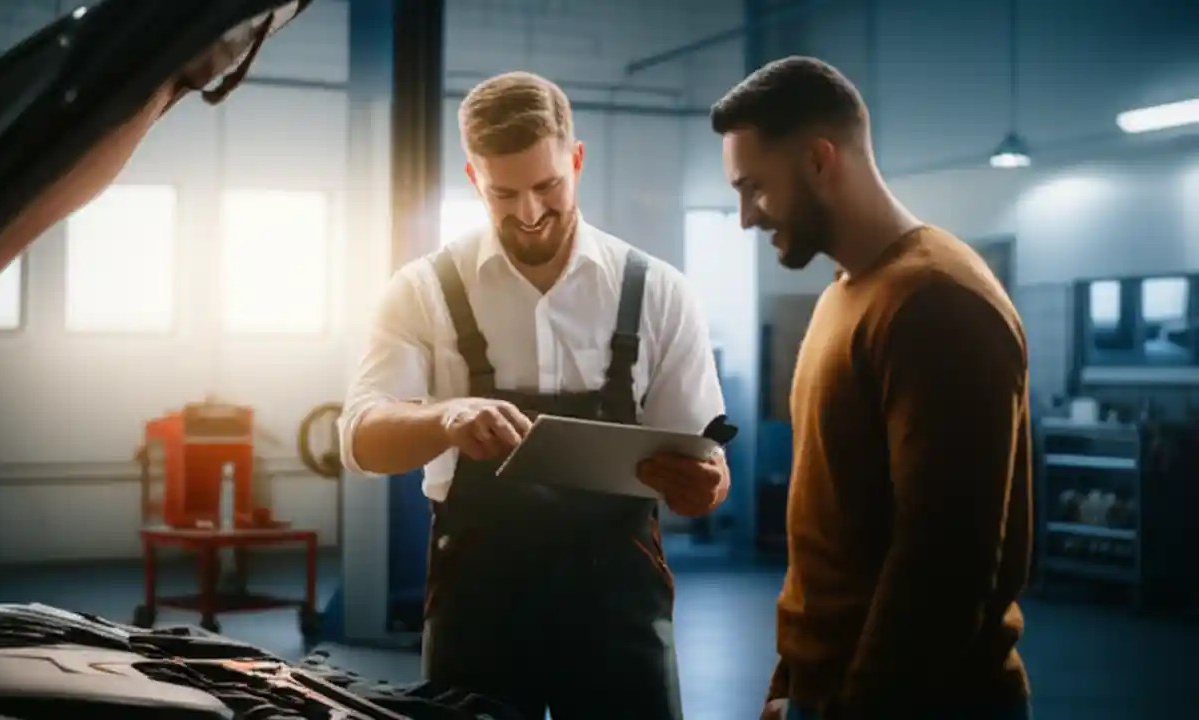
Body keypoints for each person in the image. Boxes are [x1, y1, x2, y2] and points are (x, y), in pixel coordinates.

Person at [338, 70, 730, 720]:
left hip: (619, 604)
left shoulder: (659, 292)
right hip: (478, 603)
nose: (529, 212)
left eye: (548, 186)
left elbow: (706, 469)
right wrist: (446, 418)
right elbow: (360, 441)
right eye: (504, 193)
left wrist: (708, 485)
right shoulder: (422, 290)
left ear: (576, 160)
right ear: (474, 179)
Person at [709, 57, 1033, 720]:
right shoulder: (846, 293)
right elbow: (828, 537)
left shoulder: (937, 302)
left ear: (818, 160)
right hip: (826, 694)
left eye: (754, 188)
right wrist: (793, 682)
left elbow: (943, 568)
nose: (745, 218)